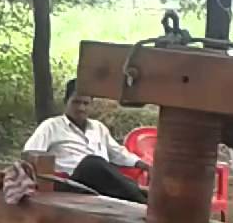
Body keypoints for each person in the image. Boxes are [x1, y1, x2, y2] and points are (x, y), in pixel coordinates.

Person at [22, 78, 150, 203]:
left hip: (101, 182)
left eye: (85, 103)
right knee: (92, 163)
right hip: (72, 183)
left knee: (107, 170)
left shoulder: (98, 128)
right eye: (76, 102)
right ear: (66, 101)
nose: (81, 108)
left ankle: (145, 198)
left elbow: (118, 153)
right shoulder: (51, 126)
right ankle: (144, 200)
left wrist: (146, 166)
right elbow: (30, 153)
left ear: (91, 105)